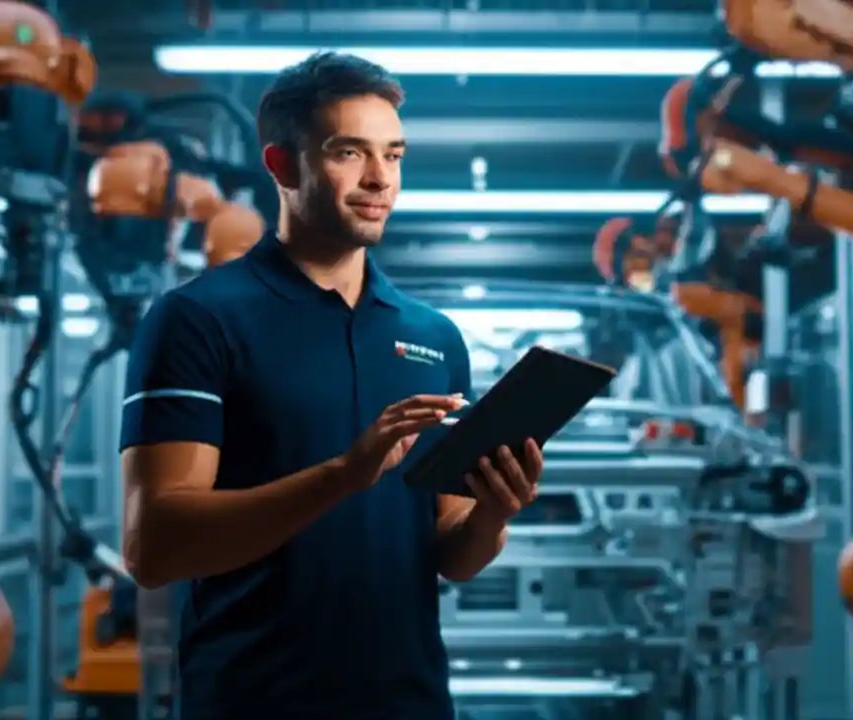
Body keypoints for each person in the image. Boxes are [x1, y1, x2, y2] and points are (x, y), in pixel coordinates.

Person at [118, 51, 545, 719]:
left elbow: (453, 554)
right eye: (350, 152)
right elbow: (154, 546)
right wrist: (346, 474)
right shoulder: (197, 319)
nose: (381, 179)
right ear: (282, 165)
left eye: (395, 155)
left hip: (410, 704)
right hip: (251, 703)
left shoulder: (433, 337)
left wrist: (495, 511)